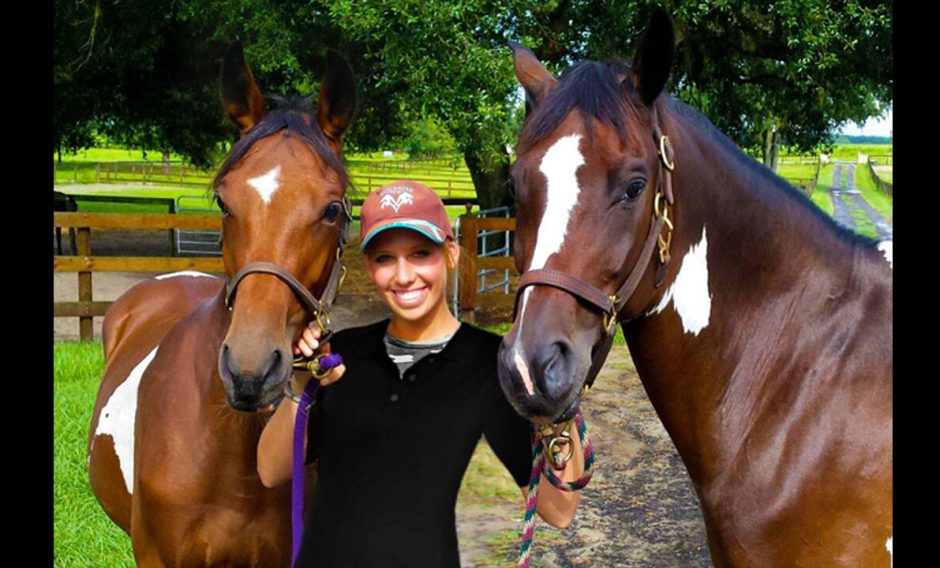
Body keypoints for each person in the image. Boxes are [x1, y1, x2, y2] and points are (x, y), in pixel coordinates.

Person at [257, 180, 585, 567]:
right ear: (368, 267)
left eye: (420, 254)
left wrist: (558, 406)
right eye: (384, 259)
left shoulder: (488, 363)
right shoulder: (342, 351)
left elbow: (558, 509)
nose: (403, 276)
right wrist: (300, 384)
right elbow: (271, 471)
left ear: (451, 253)